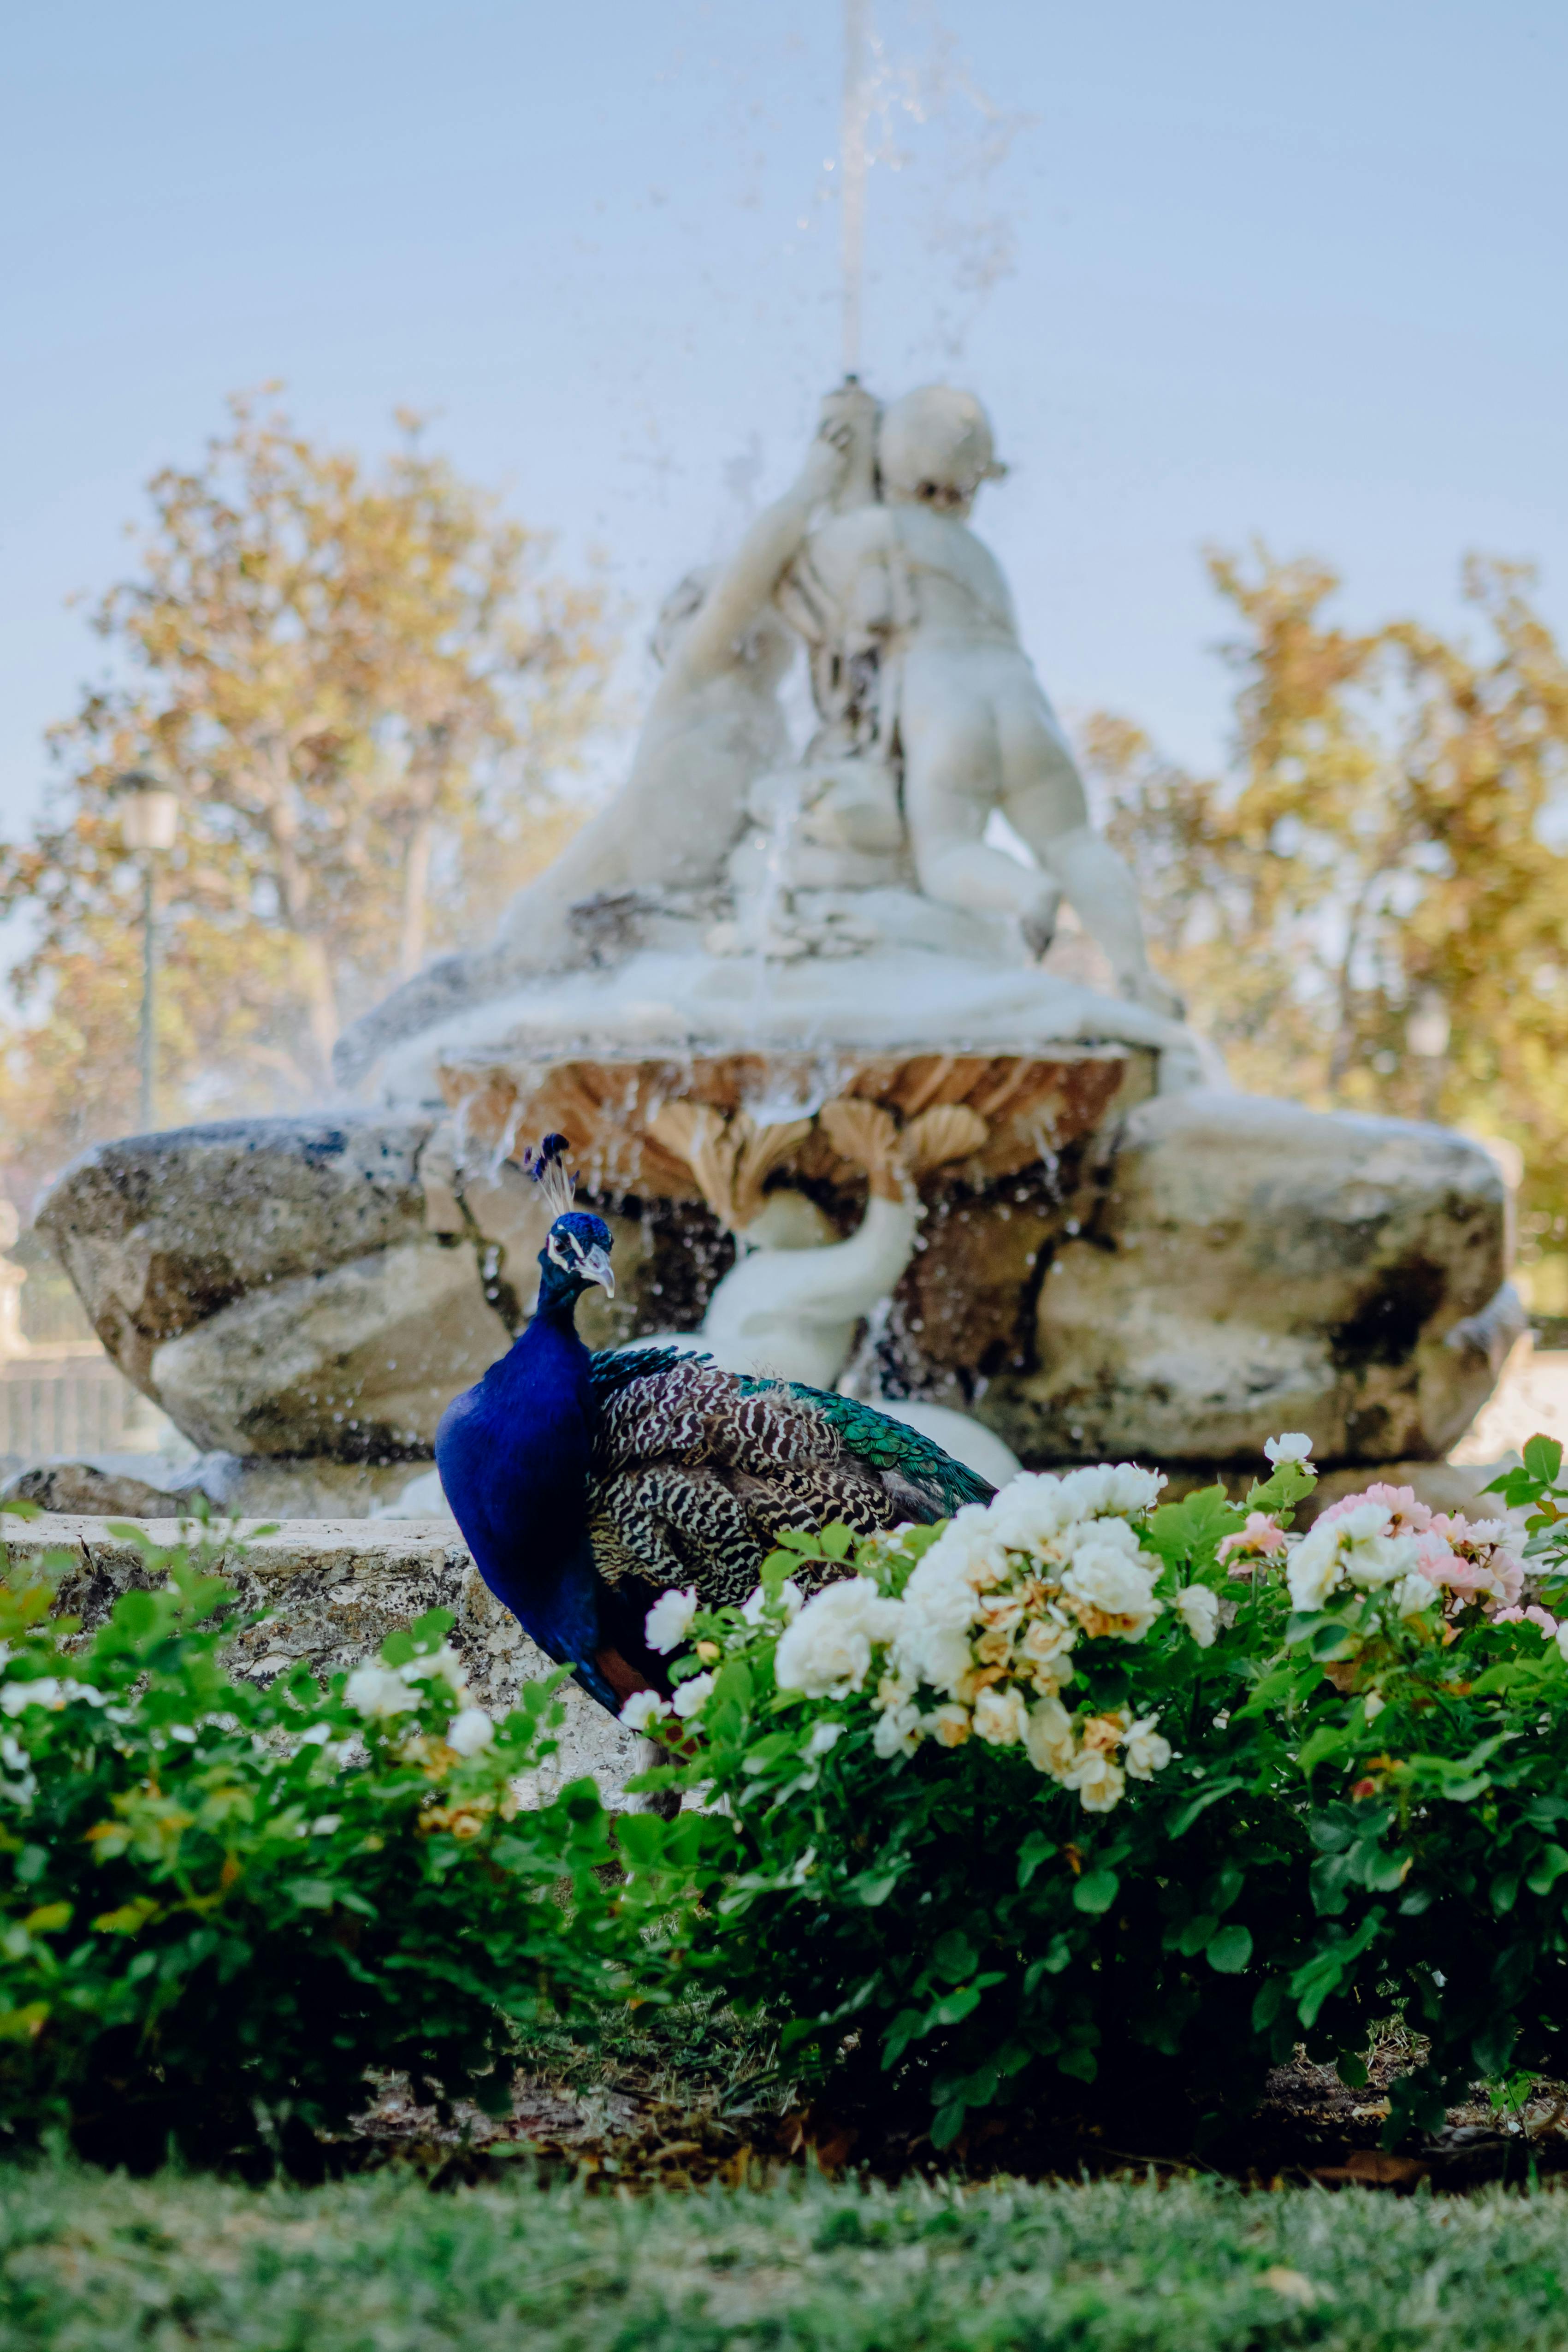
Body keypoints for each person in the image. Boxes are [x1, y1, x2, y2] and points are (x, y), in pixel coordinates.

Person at [782, 385, 1179, 1010]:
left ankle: (1026, 894)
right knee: (1074, 838)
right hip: (1023, 703)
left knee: (944, 854)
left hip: (944, 708)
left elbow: (795, 573)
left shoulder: (870, 532)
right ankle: (1136, 973)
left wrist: (840, 466)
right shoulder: (981, 556)